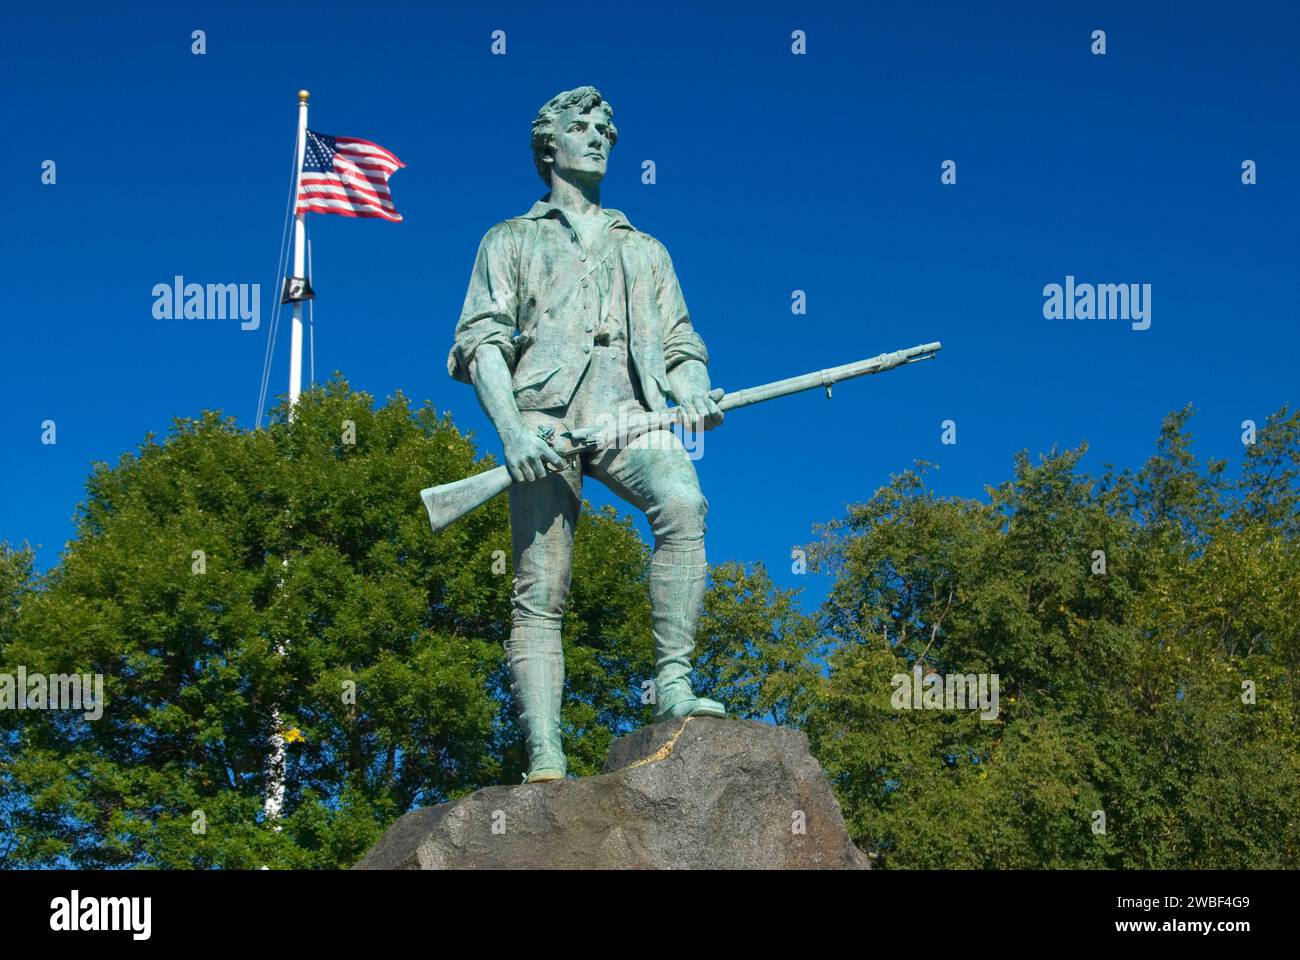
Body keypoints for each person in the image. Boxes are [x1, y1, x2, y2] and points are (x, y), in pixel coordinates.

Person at [447, 86, 726, 783]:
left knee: (685, 503)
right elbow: (481, 341)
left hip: (632, 415)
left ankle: (673, 683)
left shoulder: (647, 249)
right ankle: (545, 749)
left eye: (607, 127)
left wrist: (691, 389)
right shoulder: (510, 239)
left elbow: (682, 341)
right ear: (549, 146)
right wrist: (511, 432)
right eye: (582, 127)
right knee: (541, 589)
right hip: (542, 423)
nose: (599, 136)